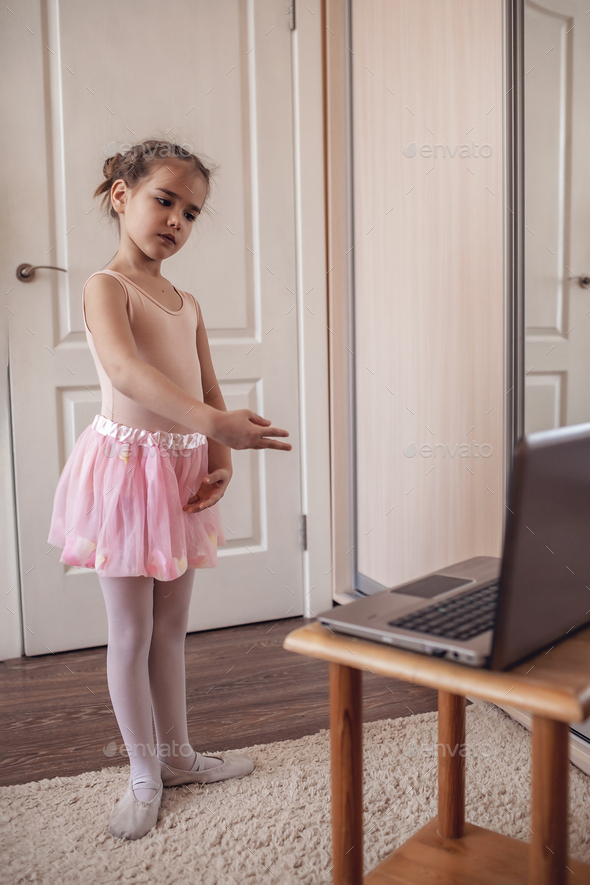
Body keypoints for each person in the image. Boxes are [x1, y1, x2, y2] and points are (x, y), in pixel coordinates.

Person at [47, 138, 291, 841]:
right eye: (164, 200)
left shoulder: (185, 300)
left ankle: (180, 755)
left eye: (191, 211)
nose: (177, 220)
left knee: (172, 626)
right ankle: (143, 771)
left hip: (181, 467)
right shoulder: (106, 286)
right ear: (121, 196)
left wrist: (219, 452)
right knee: (130, 628)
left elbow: (208, 385)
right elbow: (126, 373)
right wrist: (215, 421)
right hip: (126, 471)